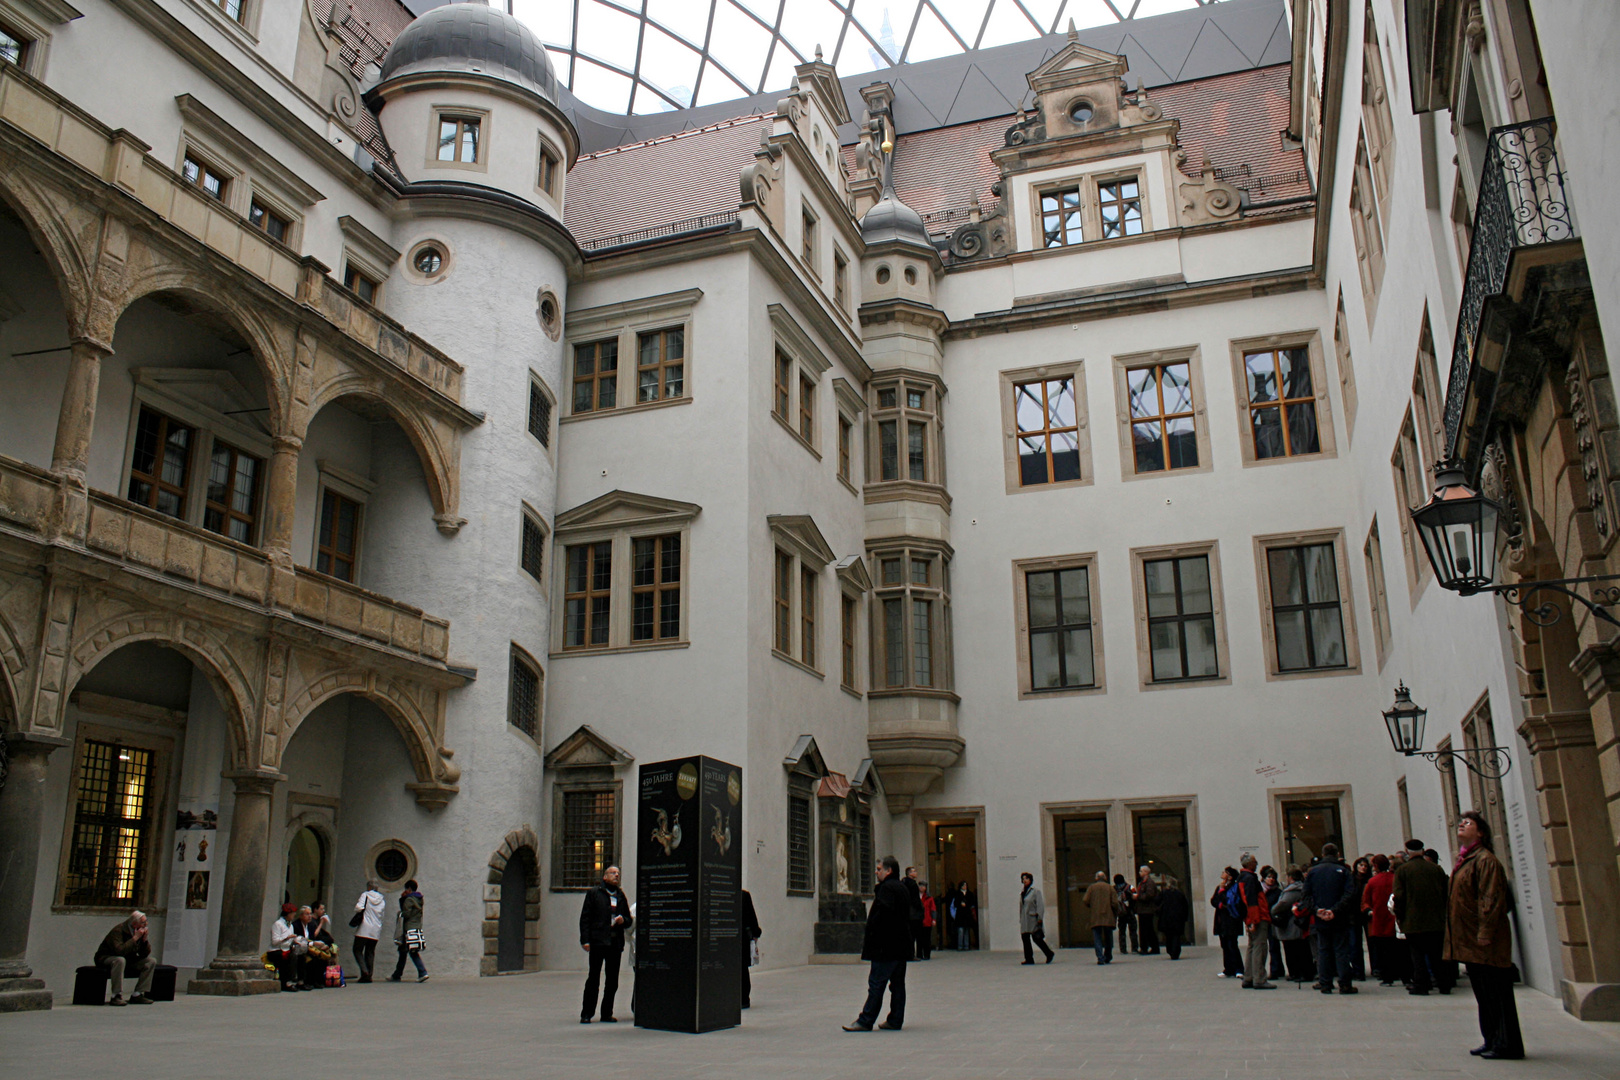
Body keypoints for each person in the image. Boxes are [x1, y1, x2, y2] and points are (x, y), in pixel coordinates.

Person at [1447, 811, 1523, 1060]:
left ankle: (1506, 1043)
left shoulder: (1485, 860)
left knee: (1496, 993)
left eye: (1468, 823)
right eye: (1461, 822)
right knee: (1484, 994)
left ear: (1480, 832)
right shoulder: (1467, 859)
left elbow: (1490, 898)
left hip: (1484, 940)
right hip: (1471, 939)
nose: (1461, 825)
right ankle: (1491, 1038)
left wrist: (1485, 932)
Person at [843, 856, 913, 1031]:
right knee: (897, 985)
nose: (876, 872)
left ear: (889, 871)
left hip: (885, 946)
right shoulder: (902, 887)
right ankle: (895, 1019)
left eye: (879, 869)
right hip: (900, 945)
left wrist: (873, 934)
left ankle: (866, 1020)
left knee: (876, 984)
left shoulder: (887, 889)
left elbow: (883, 917)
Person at [1394, 837, 1453, 995]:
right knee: (1436, 954)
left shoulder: (1403, 870)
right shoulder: (1435, 869)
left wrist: (1399, 916)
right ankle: (1444, 984)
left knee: (1418, 955)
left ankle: (1421, 985)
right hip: (1435, 920)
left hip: (1413, 920)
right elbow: (1446, 893)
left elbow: (1399, 896)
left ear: (1407, 851)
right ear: (1422, 850)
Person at [578, 865, 631, 1022]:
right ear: (605, 877)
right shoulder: (595, 893)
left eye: (618, 873)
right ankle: (587, 1013)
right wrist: (585, 940)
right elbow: (585, 918)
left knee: (612, 980)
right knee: (593, 978)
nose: (616, 875)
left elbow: (629, 920)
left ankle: (607, 1013)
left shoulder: (621, 896)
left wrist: (623, 920)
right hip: (598, 942)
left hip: (615, 943)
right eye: (613, 873)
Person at [1303, 843, 1357, 994]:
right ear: (1337, 853)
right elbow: (1350, 893)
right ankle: (1344, 984)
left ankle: (1325, 983)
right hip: (1339, 917)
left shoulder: (1313, 872)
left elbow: (1305, 895)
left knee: (1324, 950)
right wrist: (1335, 910)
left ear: (1323, 854)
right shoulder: (1343, 871)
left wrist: (1316, 910)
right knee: (1341, 951)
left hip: (1320, 917)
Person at [94, 910, 156, 1005]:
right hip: (107, 957)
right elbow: (119, 951)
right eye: (143, 922)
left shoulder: (139, 931)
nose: (145, 924)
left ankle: (137, 994)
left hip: (128, 959)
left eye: (146, 921)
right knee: (120, 960)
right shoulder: (118, 930)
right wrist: (135, 938)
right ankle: (116, 995)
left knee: (150, 961)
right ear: (134, 923)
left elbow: (144, 954)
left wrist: (144, 941)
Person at [1362, 854, 1403, 985]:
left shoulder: (1372, 881)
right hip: (1394, 917)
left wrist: (1369, 910)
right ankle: (1401, 974)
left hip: (1379, 919)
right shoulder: (1395, 878)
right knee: (1397, 948)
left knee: (1382, 950)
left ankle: (1387, 976)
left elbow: (1366, 901)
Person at [1236, 854, 1274, 989]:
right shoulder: (1250, 878)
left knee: (1252, 946)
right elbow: (1251, 900)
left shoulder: (1242, 878)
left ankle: (1249, 977)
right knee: (1260, 947)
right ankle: (1259, 978)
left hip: (1250, 917)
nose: (1257, 863)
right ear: (1249, 864)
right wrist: (1254, 920)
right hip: (1258, 917)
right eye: (1254, 861)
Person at [1271, 867, 1314, 983]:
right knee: (1301, 949)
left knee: (1294, 950)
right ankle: (1302, 972)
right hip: (1299, 922)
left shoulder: (1292, 890)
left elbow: (1282, 904)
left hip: (1291, 924)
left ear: (1290, 877)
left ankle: (1298, 973)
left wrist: (1272, 910)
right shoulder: (1303, 888)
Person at [389, 879, 428, 983]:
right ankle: (397, 974)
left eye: (406, 889)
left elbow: (406, 913)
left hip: (408, 928)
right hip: (416, 927)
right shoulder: (419, 899)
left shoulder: (409, 900)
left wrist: (402, 901)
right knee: (403, 951)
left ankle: (422, 972)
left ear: (409, 889)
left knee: (412, 951)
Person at [1211, 868, 1242, 979]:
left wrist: (1222, 892)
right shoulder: (1220, 887)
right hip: (1221, 920)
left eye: (1225, 872)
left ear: (1230, 876)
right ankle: (1228, 968)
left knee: (1232, 944)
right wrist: (1219, 904)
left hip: (1231, 920)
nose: (1222, 873)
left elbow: (1228, 901)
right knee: (1224, 945)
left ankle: (1238, 969)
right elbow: (1214, 900)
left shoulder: (1233, 888)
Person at [1017, 871, 1054, 964]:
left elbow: (1040, 906)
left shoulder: (1035, 892)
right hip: (1025, 919)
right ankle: (1029, 958)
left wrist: (1040, 918)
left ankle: (1049, 953)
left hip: (1033, 919)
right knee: (1025, 938)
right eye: (1023, 879)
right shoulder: (1022, 893)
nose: (1025, 880)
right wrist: (1020, 918)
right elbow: (1021, 907)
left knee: (1037, 938)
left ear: (1030, 880)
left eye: (1027, 878)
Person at [271, 902, 309, 991]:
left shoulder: (290, 925)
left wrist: (296, 941)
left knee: (302, 956)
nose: (294, 915)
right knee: (292, 957)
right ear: (287, 914)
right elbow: (274, 941)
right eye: (293, 913)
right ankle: (288, 982)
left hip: (287, 948)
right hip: (277, 950)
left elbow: (291, 940)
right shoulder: (277, 924)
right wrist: (287, 938)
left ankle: (300, 981)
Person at [352, 880, 385, 983]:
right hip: (375, 929)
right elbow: (382, 915)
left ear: (369, 887)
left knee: (357, 950)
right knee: (370, 952)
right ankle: (369, 975)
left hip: (364, 927)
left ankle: (364, 970)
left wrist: (359, 911)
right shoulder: (382, 900)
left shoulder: (365, 895)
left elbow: (359, 907)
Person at [1083, 870, 1119, 964]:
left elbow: (1085, 900)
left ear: (1096, 878)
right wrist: (1115, 912)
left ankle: (1100, 957)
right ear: (1105, 878)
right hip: (1108, 915)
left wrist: (1092, 906)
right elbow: (1115, 903)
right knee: (1108, 937)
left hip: (1096, 916)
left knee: (1097, 938)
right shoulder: (1110, 888)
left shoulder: (1092, 887)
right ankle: (1108, 955)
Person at [1349, 855, 1373, 980]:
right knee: (1354, 944)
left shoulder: (1369, 880)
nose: (1363, 868)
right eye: (1361, 865)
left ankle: (1375, 968)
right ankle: (1358, 971)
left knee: (1371, 942)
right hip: (1354, 914)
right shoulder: (1352, 879)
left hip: (1366, 913)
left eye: (1365, 866)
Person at [1156, 876, 1190, 960]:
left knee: (1169, 935)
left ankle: (1171, 950)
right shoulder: (1180, 894)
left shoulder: (1164, 893)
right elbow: (1185, 906)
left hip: (1166, 918)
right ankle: (1175, 952)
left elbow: (1156, 901)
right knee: (1176, 936)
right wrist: (1185, 917)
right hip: (1178, 918)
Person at [1261, 867, 1285, 980]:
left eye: (1273, 877)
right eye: (1269, 877)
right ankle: (1278, 969)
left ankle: (1275, 970)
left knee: (1274, 946)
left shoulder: (1277, 892)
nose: (1271, 879)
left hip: (1273, 921)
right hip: (1264, 920)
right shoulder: (1261, 891)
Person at [738, 888, 760, 1009]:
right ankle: (743, 999)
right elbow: (752, 917)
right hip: (742, 938)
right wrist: (755, 933)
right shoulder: (743, 895)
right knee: (742, 969)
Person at [1133, 866, 1160, 955]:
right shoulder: (1142, 882)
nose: (1139, 872)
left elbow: (1149, 895)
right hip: (1142, 909)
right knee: (1146, 929)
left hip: (1147, 909)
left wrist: (1138, 896)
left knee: (1147, 929)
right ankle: (1150, 947)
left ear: (1146, 872)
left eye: (1141, 871)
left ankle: (1147, 947)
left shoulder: (1149, 883)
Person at [902, 867, 925, 965]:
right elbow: (915, 899)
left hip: (906, 912)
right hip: (914, 914)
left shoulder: (903, 883)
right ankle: (913, 954)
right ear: (909, 874)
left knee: (909, 935)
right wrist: (920, 908)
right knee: (915, 935)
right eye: (913, 871)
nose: (916, 872)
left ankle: (908, 954)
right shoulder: (912, 884)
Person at [949, 881, 977, 951]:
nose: (965, 887)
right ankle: (960, 946)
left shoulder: (969, 894)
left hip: (967, 914)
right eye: (963, 885)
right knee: (960, 930)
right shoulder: (957, 894)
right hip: (960, 914)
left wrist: (966, 904)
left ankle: (966, 945)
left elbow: (972, 903)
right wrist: (960, 904)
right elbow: (955, 904)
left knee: (966, 931)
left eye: (965, 885)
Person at [1113, 874, 1137, 955]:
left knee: (1122, 931)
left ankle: (1123, 949)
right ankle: (1134, 948)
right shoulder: (1130, 887)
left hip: (1120, 912)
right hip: (1130, 911)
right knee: (1133, 931)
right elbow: (1135, 895)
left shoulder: (1114, 889)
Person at [917, 883, 935, 961]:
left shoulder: (929, 898)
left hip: (927, 920)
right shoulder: (916, 897)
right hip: (918, 920)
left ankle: (927, 954)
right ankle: (919, 954)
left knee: (927, 939)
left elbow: (933, 909)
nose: (921, 887)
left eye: (923, 886)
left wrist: (934, 919)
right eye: (920, 886)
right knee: (919, 938)